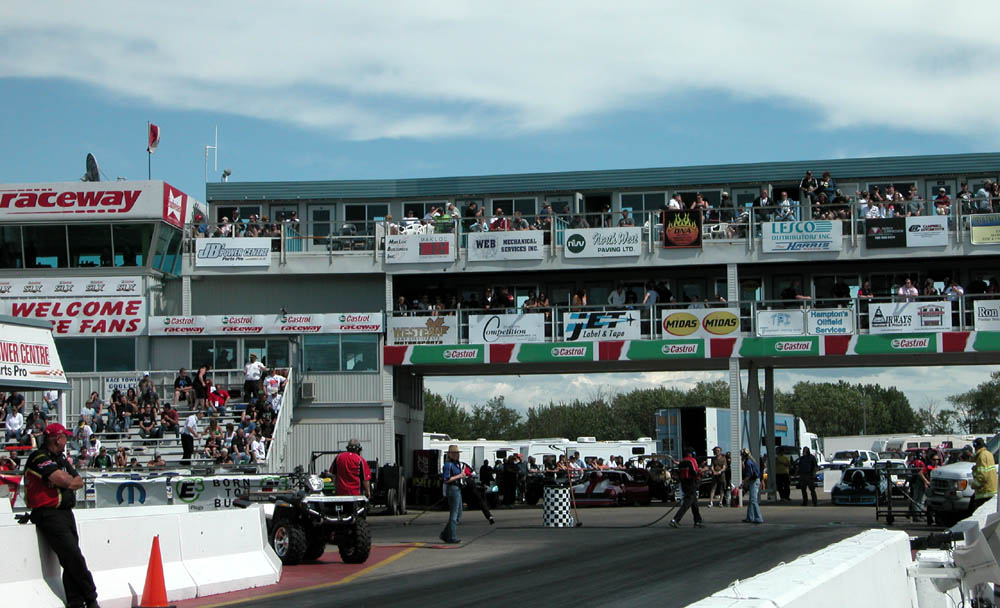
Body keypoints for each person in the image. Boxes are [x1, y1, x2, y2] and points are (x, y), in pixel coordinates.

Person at [25, 423, 100, 608]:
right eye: (65, 437)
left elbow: (78, 481)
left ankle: (75, 602)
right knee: (74, 557)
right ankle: (91, 598)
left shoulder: (60, 458)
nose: (67, 440)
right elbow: (66, 480)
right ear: (57, 439)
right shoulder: (39, 457)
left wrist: (64, 482)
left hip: (65, 514)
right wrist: (65, 482)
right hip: (49, 515)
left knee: (70, 559)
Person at [669, 447, 704, 528]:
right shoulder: (692, 460)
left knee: (694, 502)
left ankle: (697, 521)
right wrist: (702, 470)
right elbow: (694, 472)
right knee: (687, 503)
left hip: (684, 483)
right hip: (691, 483)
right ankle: (675, 520)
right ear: (691, 453)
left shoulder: (682, 461)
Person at [440, 445, 465, 544]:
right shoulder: (448, 465)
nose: (456, 455)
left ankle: (445, 534)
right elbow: (446, 479)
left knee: (459, 514)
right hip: (452, 489)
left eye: (457, 453)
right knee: (454, 514)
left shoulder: (457, 464)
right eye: (454, 453)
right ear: (449, 454)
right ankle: (452, 537)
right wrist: (459, 476)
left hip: (458, 488)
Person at [970, 437, 997, 512]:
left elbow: (982, 475)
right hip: (991, 490)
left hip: (984, 493)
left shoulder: (981, 457)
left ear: (976, 447)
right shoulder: (989, 454)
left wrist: (974, 485)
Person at [742, 449, 763, 524]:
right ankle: (750, 517)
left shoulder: (748, 463)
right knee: (751, 500)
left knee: (753, 500)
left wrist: (743, 483)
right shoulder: (751, 461)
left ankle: (758, 518)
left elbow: (749, 475)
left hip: (754, 481)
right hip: (754, 481)